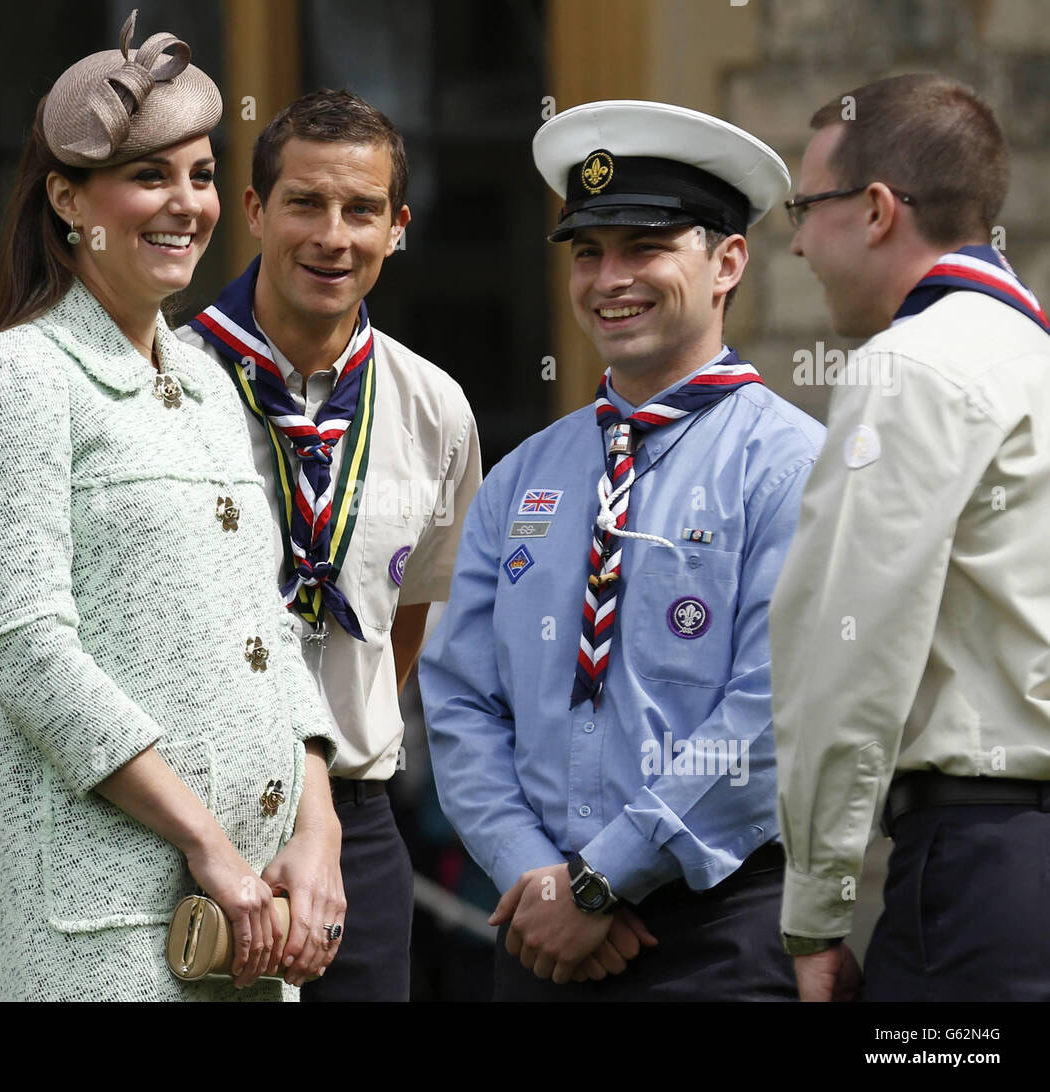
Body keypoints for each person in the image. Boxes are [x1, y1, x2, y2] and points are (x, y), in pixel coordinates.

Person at [0, 11, 341, 1001]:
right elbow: (30, 653)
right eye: (150, 176)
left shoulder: (205, 377)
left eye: (201, 176)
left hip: (256, 915)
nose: (187, 203)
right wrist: (206, 844)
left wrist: (316, 829)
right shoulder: (19, 376)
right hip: (108, 928)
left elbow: (271, 629)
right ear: (69, 200)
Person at [420, 100, 825, 1000]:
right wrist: (535, 875)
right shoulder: (527, 472)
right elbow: (459, 701)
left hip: (715, 925)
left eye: (645, 247)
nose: (611, 279)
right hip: (539, 931)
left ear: (727, 262)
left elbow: (777, 710)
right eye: (589, 252)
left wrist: (610, 876)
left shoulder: (791, 465)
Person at [176, 90, 481, 1002]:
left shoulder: (436, 409)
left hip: (358, 820)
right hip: (191, 817)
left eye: (362, 210)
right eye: (305, 203)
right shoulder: (168, 383)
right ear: (255, 210)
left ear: (397, 229)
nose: (333, 236)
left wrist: (331, 773)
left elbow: (410, 620)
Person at [770, 73, 1050, 1003]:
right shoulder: (1033, 362)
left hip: (981, 881)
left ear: (879, 210)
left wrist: (815, 911)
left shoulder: (910, 365)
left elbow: (848, 653)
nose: (800, 240)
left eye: (805, 207)